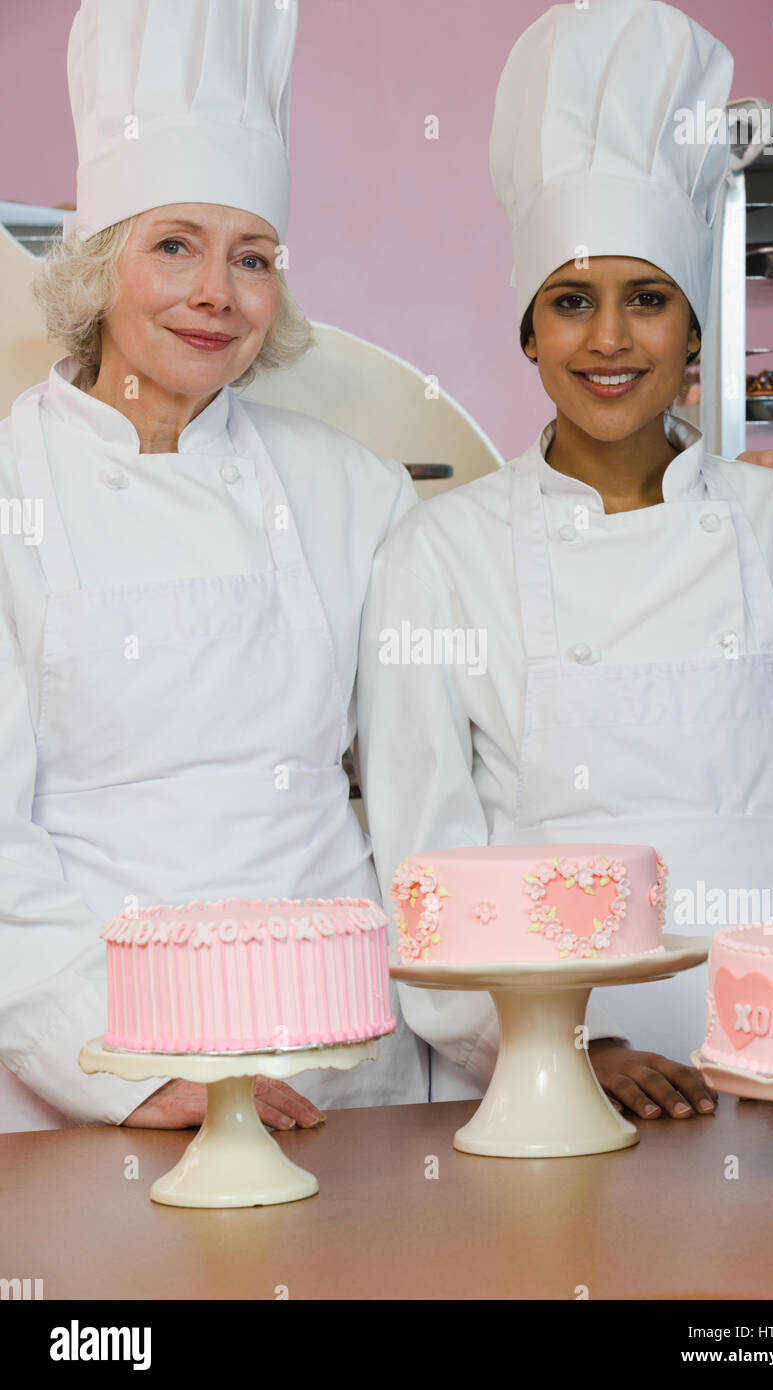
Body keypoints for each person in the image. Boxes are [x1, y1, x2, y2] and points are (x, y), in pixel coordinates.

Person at [357, 0, 773, 1117]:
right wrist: (568, 1049)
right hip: (542, 1080)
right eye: (571, 302)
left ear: (694, 333)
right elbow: (425, 867)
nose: (608, 339)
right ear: (527, 331)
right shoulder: (436, 556)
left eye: (647, 300)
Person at [0, 0, 430, 1131]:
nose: (215, 294)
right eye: (174, 246)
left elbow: (420, 798)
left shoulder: (356, 492)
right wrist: (128, 1071)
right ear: (100, 266)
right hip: (87, 1070)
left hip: (341, 1059)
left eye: (253, 259)